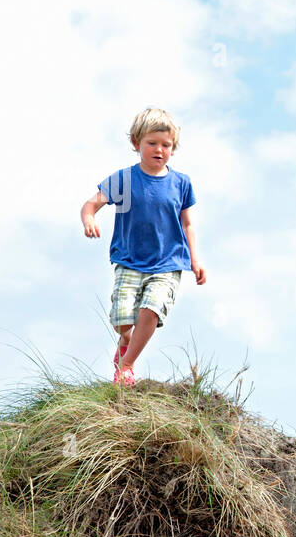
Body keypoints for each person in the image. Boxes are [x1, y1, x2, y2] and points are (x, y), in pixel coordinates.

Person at [80, 107, 207, 386]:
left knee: (151, 308)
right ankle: (126, 343)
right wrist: (89, 219)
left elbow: (188, 224)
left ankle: (126, 366)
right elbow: (91, 203)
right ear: (136, 144)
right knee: (124, 323)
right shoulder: (124, 180)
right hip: (129, 260)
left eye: (166, 145)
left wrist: (195, 260)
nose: (159, 150)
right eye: (152, 143)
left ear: (173, 149)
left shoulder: (181, 183)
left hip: (168, 262)